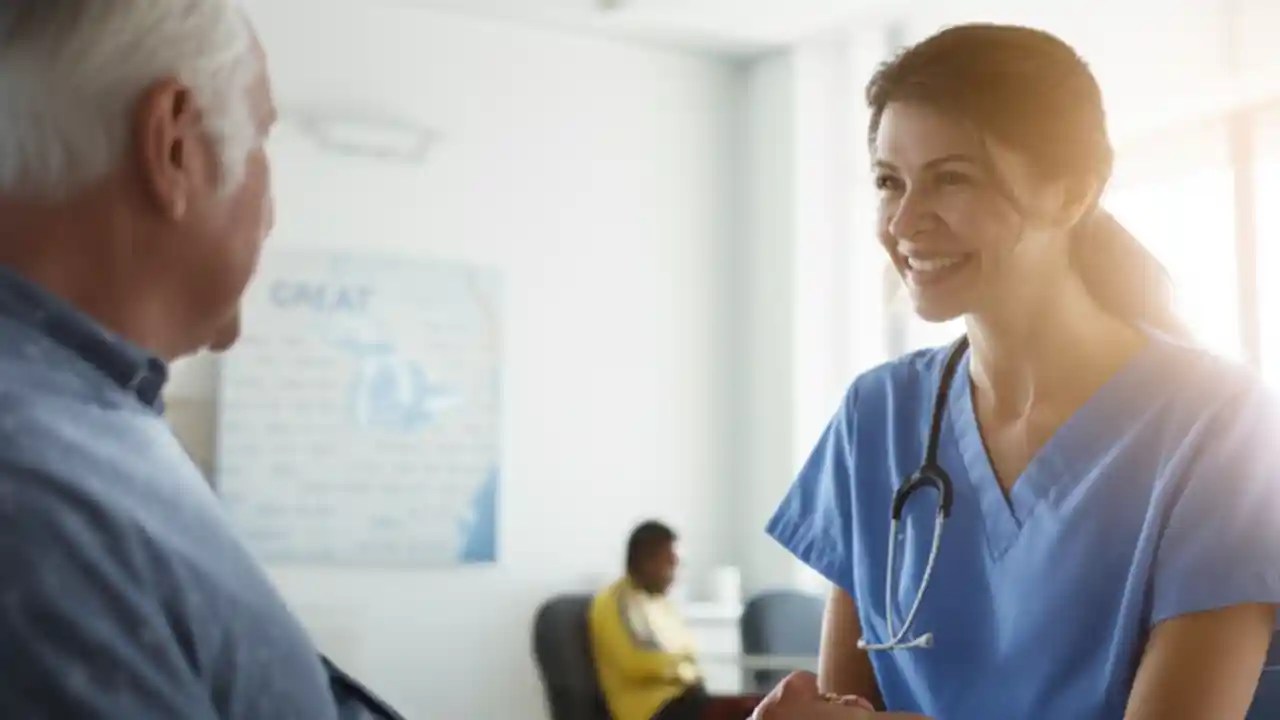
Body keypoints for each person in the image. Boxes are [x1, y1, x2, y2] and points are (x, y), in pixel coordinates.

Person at [759, 23, 1280, 720]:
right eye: (890, 182)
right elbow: (851, 702)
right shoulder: (875, 419)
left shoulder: (1221, 423)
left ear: (1071, 193)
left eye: (952, 178)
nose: (906, 221)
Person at [0, 2, 404, 718]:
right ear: (175, 145)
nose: (272, 209)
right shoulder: (45, 496)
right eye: (263, 143)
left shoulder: (95, 427)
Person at [590, 521, 761, 720]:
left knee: (762, 705)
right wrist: (683, 669)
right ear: (647, 560)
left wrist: (682, 667)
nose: (675, 574)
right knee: (752, 711)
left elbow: (689, 652)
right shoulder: (617, 602)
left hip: (684, 701)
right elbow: (637, 662)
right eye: (670, 563)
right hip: (652, 711)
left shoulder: (661, 604)